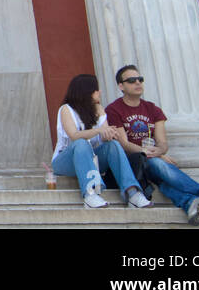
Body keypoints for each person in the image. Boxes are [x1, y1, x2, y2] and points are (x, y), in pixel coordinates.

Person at [105, 64, 199, 226]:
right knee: (159, 164)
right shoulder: (114, 109)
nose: (138, 83)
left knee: (163, 181)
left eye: (140, 79)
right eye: (131, 80)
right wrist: (150, 154)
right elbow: (124, 144)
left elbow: (163, 143)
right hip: (131, 162)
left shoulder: (152, 109)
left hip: (149, 161)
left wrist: (159, 151)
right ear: (121, 86)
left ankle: (191, 204)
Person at [51, 74, 154, 209]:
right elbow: (74, 136)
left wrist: (110, 133)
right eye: (96, 89)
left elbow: (105, 135)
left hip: (93, 159)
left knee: (113, 145)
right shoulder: (66, 109)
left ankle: (133, 193)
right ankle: (90, 194)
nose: (100, 92)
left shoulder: (98, 109)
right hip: (65, 161)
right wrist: (98, 131)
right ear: (86, 91)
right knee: (81, 143)